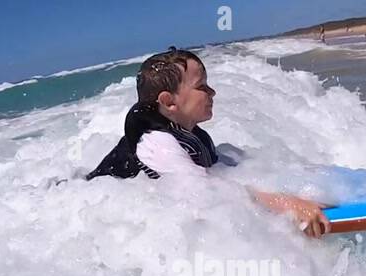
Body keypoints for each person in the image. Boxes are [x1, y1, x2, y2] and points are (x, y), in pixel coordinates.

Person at [86, 48, 331, 238]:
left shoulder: (194, 136)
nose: (212, 92)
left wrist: (293, 185)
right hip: (92, 206)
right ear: (169, 102)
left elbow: (225, 174)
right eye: (202, 86)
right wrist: (285, 205)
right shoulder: (154, 141)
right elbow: (205, 191)